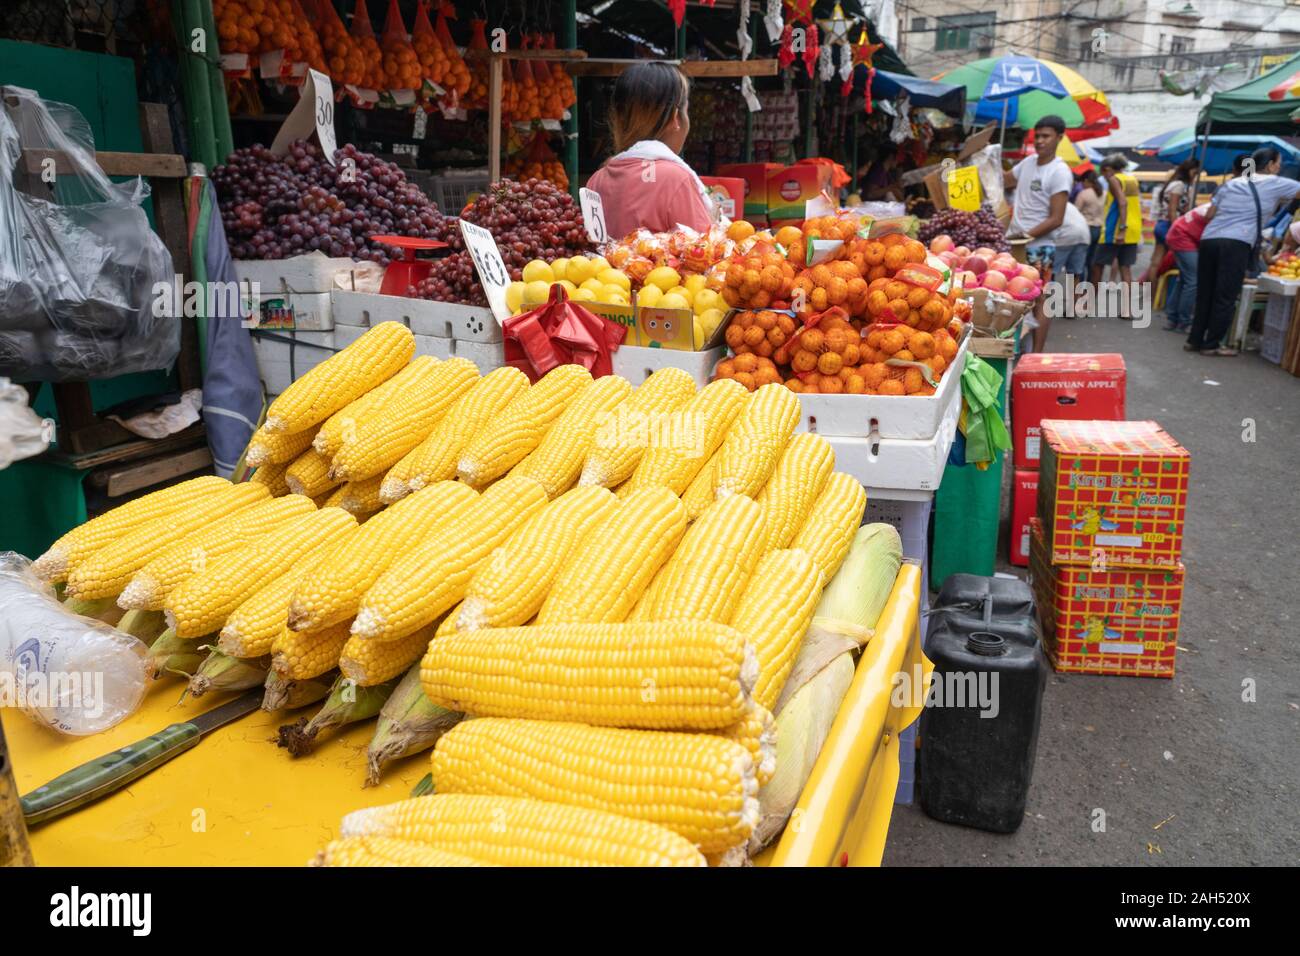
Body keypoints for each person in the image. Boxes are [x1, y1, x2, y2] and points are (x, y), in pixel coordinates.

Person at [1188, 145, 1300, 355]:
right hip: (1236, 242)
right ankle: (1211, 344)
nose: (1280, 168)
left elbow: (1210, 214)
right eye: (1279, 164)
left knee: (1206, 292)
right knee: (1225, 295)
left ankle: (1194, 340)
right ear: (1270, 165)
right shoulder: (1276, 183)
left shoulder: (1232, 184)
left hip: (1209, 239)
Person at [585, 62, 712, 238]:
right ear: (675, 118)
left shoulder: (596, 180)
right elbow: (703, 252)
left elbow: (591, 250)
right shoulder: (676, 179)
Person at [1004, 115, 1073, 352]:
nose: (1040, 141)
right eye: (1038, 136)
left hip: (1040, 248)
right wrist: (986, 164)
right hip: (1016, 245)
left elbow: (1057, 218)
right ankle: (1015, 350)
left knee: (1040, 302)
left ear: (1059, 138)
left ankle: (1036, 354)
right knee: (1015, 297)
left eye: (1046, 136)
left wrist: (1024, 237)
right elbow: (1003, 181)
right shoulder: (1028, 163)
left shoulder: (1059, 172)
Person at [1092, 154, 1142, 296]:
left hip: (1115, 229)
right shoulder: (1132, 179)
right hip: (1133, 228)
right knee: (1125, 268)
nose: (1104, 178)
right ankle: (1127, 310)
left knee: (1097, 265)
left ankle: (1086, 303)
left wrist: (1121, 229)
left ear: (1108, 169)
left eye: (1103, 173)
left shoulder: (1114, 179)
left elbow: (1122, 202)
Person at [1143, 159, 1199, 284]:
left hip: (1162, 224)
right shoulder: (1179, 185)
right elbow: (1172, 210)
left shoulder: (1172, 183)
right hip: (1170, 226)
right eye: (1194, 173)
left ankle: (1151, 297)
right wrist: (1177, 229)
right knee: (1170, 262)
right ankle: (1156, 296)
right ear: (1188, 170)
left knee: (1156, 262)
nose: (1195, 177)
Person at [1161, 203, 1210, 333]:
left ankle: (1172, 319)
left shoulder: (1211, 205)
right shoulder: (1218, 209)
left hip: (1178, 235)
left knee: (1184, 280)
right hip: (1182, 238)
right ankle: (1184, 321)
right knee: (1192, 281)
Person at [1074, 169, 1105, 277]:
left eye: (1082, 182)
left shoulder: (1083, 194)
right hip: (1100, 228)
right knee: (1092, 260)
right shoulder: (1103, 193)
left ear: (1086, 180)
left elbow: (1075, 212)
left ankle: (1081, 288)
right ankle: (1091, 286)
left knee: (1081, 260)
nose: (1082, 184)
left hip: (1086, 228)